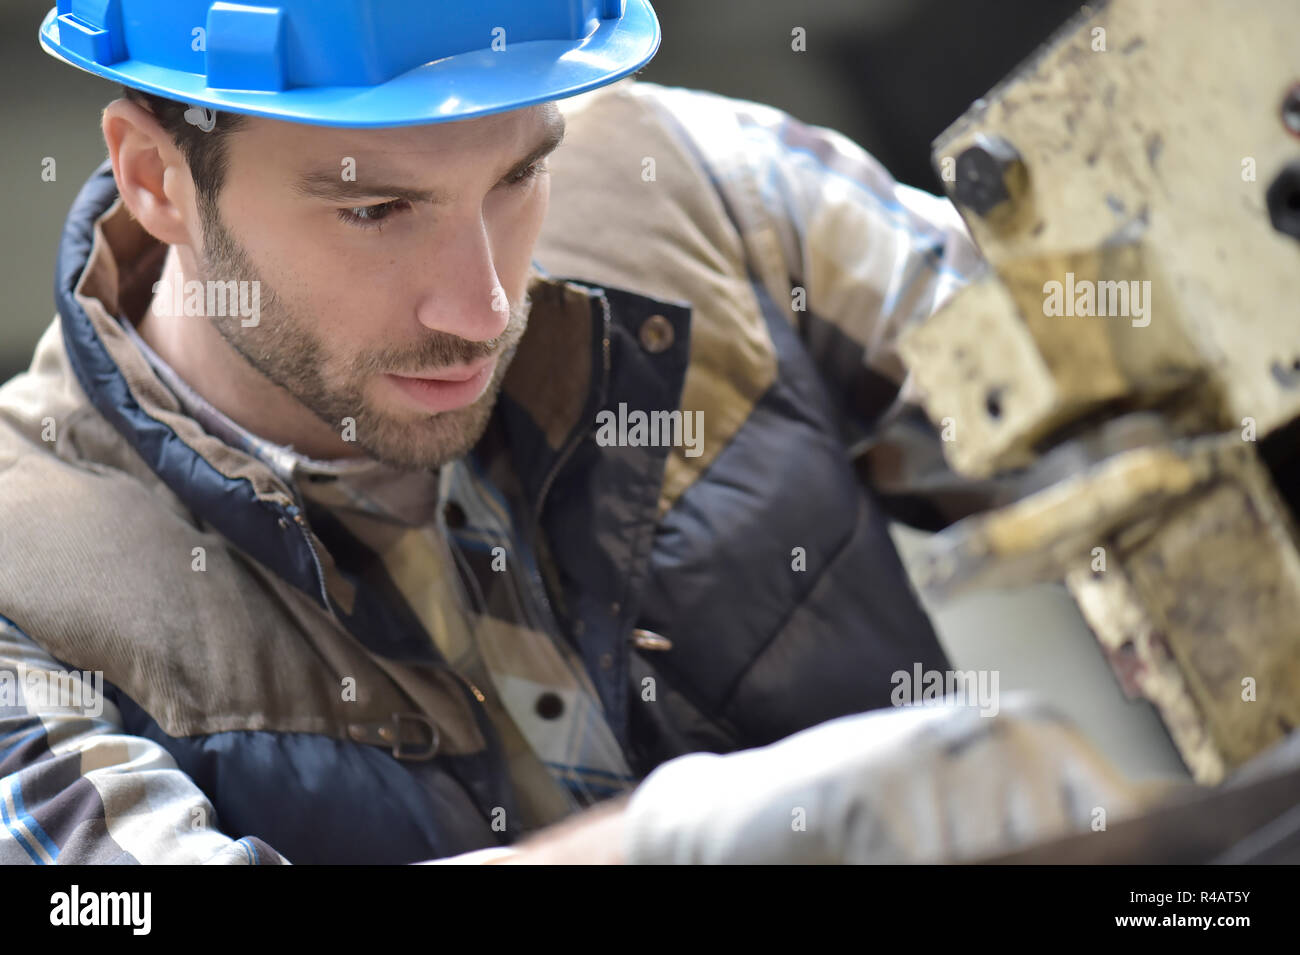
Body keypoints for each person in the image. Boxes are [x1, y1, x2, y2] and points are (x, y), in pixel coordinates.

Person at [1, 0, 987, 864]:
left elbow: (1093, 387)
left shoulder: (705, 198)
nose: (480, 310)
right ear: (156, 178)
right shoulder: (25, 587)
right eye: (377, 208)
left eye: (519, 175)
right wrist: (686, 840)